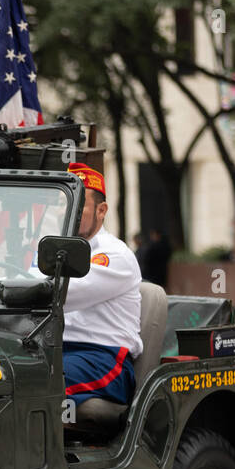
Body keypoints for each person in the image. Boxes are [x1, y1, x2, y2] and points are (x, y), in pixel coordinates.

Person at [60, 163, 143, 406]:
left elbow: (58, 294)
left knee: (31, 384)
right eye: (64, 203)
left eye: (78, 204)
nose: (69, 212)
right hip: (56, 351)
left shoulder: (115, 255)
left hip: (103, 359)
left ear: (101, 210)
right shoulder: (52, 248)